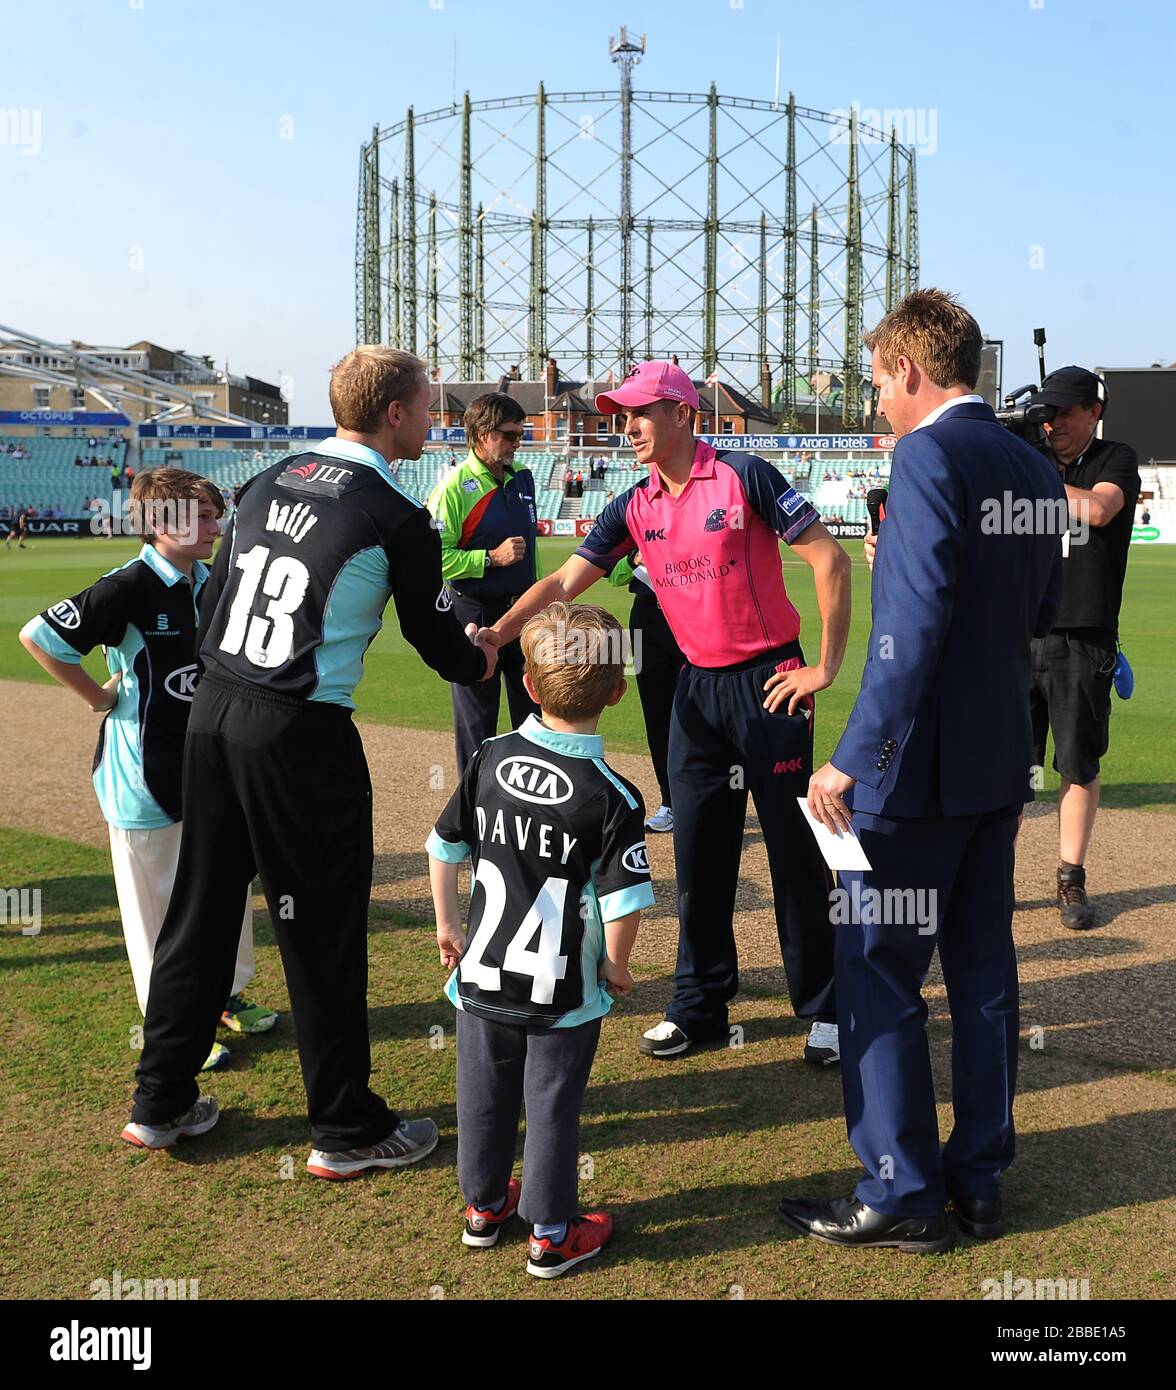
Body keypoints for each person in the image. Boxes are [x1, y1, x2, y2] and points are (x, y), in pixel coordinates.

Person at [123, 346, 497, 1171]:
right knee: (321, 929)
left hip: (214, 713)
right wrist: (481, 661)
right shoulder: (395, 516)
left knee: (201, 909)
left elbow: (214, 602)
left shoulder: (265, 480)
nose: (433, 417)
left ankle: (161, 1101)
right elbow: (440, 644)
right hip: (298, 732)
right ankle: (347, 1129)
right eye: (427, 403)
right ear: (395, 412)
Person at [778, 289, 1064, 1253]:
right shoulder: (1029, 459)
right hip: (997, 764)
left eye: (876, 383)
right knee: (984, 973)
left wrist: (855, 760)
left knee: (877, 970)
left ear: (909, 367)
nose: (875, 403)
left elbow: (911, 630)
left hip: (917, 775)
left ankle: (900, 1190)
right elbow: (1038, 600)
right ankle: (979, 1179)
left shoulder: (929, 454)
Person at [475, 360, 851, 1066]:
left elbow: (828, 560)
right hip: (695, 691)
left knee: (794, 851)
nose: (629, 428)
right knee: (699, 853)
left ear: (683, 413)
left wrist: (823, 668)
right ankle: (699, 1005)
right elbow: (562, 581)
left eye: (641, 414)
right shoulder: (633, 504)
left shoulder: (747, 475)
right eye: (622, 416)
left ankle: (829, 1005)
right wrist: (498, 633)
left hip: (771, 683)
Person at [19, 468, 278, 1073]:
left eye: (218, 515)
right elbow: (40, 637)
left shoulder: (213, 580)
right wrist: (96, 697)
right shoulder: (128, 586)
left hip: (211, 766)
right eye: (204, 517)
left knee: (226, 885)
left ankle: (226, 996)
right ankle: (173, 1019)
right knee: (156, 908)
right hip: (142, 774)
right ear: (162, 523)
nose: (216, 528)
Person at [427, 601, 653, 1278]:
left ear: (527, 683)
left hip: (481, 977)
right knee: (551, 1104)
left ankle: (485, 1206)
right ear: (617, 693)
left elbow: (444, 846)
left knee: (482, 1095)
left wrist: (446, 924)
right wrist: (615, 967)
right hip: (562, 991)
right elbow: (625, 902)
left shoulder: (489, 757)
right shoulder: (613, 795)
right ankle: (551, 1234)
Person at [1027, 366, 1141, 931]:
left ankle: (1071, 877)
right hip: (1016, 636)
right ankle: (988, 879)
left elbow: (1098, 510)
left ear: (1094, 412)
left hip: (1083, 638)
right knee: (1003, 766)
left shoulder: (1116, 457)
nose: (1054, 423)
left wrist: (1029, 478)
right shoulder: (1028, 458)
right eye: (1047, 413)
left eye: (1067, 412)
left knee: (1077, 764)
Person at [426, 393, 541, 777]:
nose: (515, 443)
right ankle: (472, 815)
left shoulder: (523, 476)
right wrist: (491, 558)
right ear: (480, 434)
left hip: (524, 614)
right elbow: (435, 558)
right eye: (508, 435)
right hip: (475, 615)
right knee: (477, 724)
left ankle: (531, 802)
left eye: (520, 435)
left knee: (534, 715)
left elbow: (533, 552)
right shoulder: (453, 488)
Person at [607, 548, 685, 832]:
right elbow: (613, 575)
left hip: (693, 612)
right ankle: (670, 803)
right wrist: (632, 560)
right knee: (657, 716)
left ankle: (712, 799)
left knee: (702, 714)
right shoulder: (629, 515)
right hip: (645, 618)